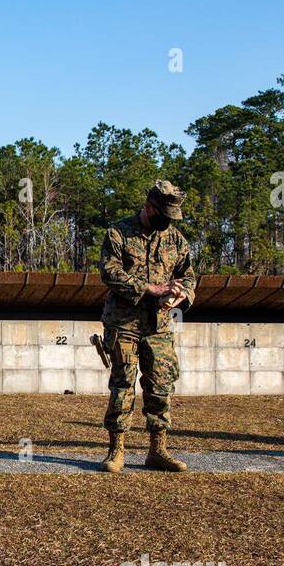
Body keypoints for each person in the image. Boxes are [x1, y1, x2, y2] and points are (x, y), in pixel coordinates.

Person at [98, 180, 196, 473]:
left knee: (161, 387)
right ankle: (116, 451)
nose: (166, 223)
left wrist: (180, 295)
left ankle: (158, 451)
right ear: (148, 207)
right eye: (162, 216)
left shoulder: (176, 240)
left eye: (171, 219)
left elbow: (188, 276)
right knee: (123, 386)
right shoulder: (118, 233)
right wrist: (150, 288)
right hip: (124, 323)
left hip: (160, 326)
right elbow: (110, 272)